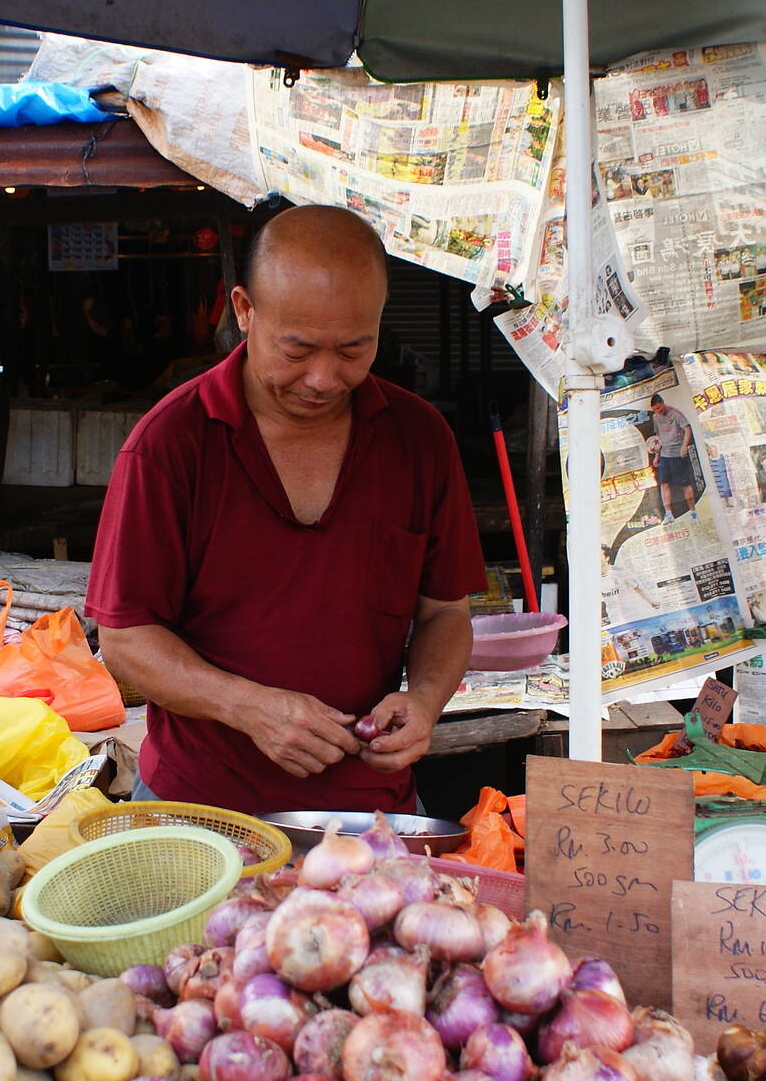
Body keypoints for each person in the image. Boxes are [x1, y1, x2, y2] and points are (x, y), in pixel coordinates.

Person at [87, 206, 485, 815]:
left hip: (369, 811)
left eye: (354, 349)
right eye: (297, 349)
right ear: (244, 311)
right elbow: (127, 637)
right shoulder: (170, 443)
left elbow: (445, 613)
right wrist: (249, 707)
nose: (324, 378)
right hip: (199, 809)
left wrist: (426, 699)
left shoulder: (420, 439)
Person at [648, 394, 697, 520]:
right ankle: (668, 514)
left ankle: (693, 511)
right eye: (655, 410)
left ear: (663, 403)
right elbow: (658, 437)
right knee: (664, 483)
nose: (658, 412)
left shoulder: (675, 414)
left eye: (659, 408)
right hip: (665, 455)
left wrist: (684, 446)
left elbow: (687, 429)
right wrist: (656, 456)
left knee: (684, 485)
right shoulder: (655, 418)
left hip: (677, 454)